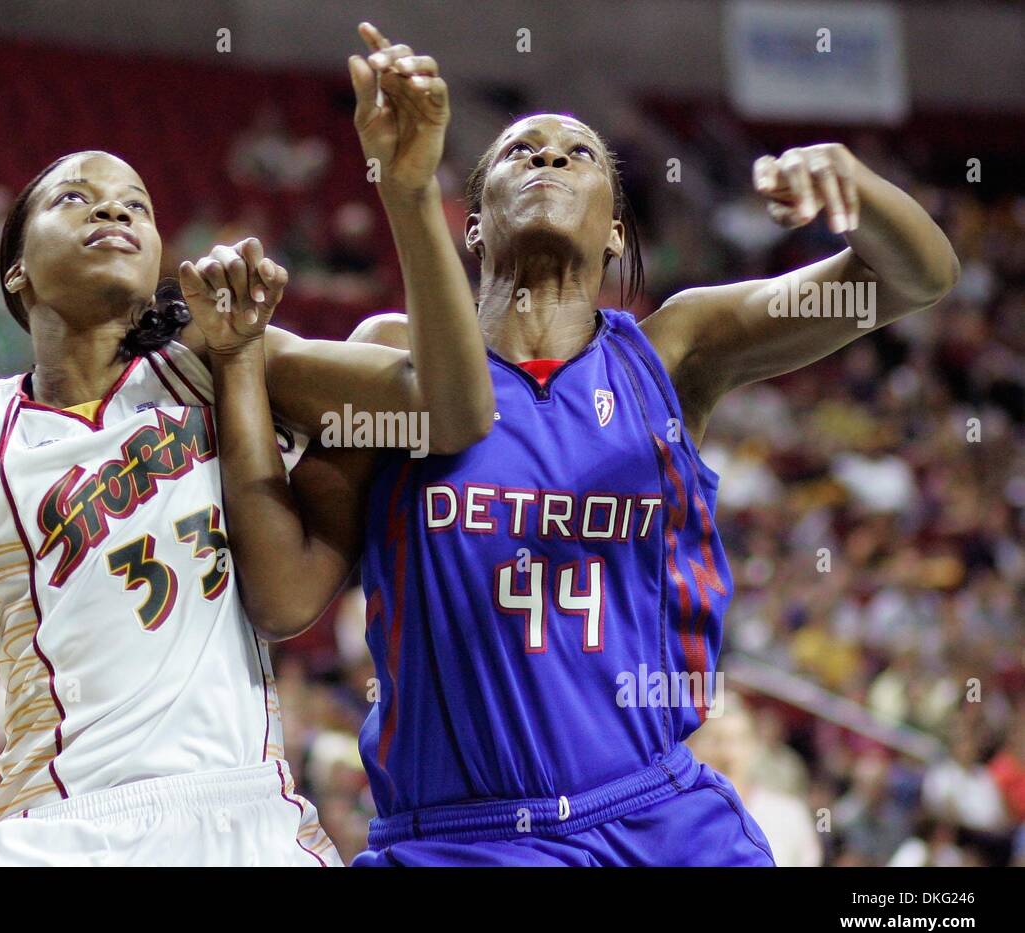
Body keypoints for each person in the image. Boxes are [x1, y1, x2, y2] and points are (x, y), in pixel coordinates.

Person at [0, 23, 491, 866]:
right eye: (75, 198)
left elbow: (451, 410)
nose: (113, 208)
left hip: (238, 811)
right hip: (53, 829)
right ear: (17, 270)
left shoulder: (221, 362)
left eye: (136, 204)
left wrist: (411, 196)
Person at [200, 86, 960, 862]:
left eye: (579, 153)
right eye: (520, 151)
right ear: (472, 225)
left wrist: (856, 187)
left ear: (615, 234)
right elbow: (287, 594)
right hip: (470, 838)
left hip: (656, 816)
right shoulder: (393, 360)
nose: (550, 156)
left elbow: (914, 277)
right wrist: (231, 361)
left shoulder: (670, 354)